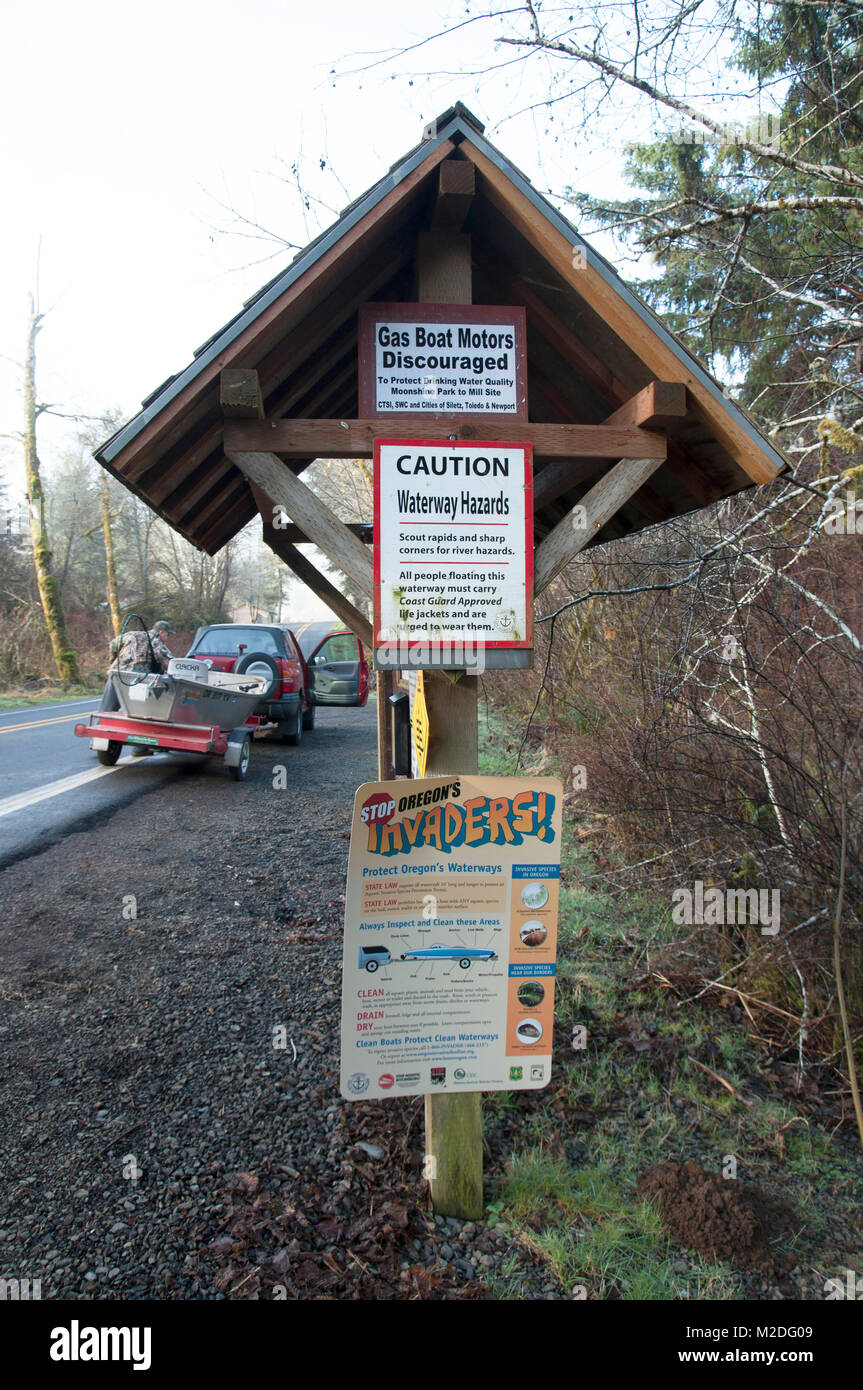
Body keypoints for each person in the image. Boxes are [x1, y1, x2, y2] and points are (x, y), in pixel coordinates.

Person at [99, 620, 177, 713]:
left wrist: (112, 660)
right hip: (136, 679)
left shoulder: (132, 634)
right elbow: (171, 664)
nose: (167, 638)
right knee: (135, 711)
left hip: (117, 674)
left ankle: (98, 723)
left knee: (106, 709)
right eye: (167, 635)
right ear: (161, 632)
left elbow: (113, 644)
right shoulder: (157, 643)